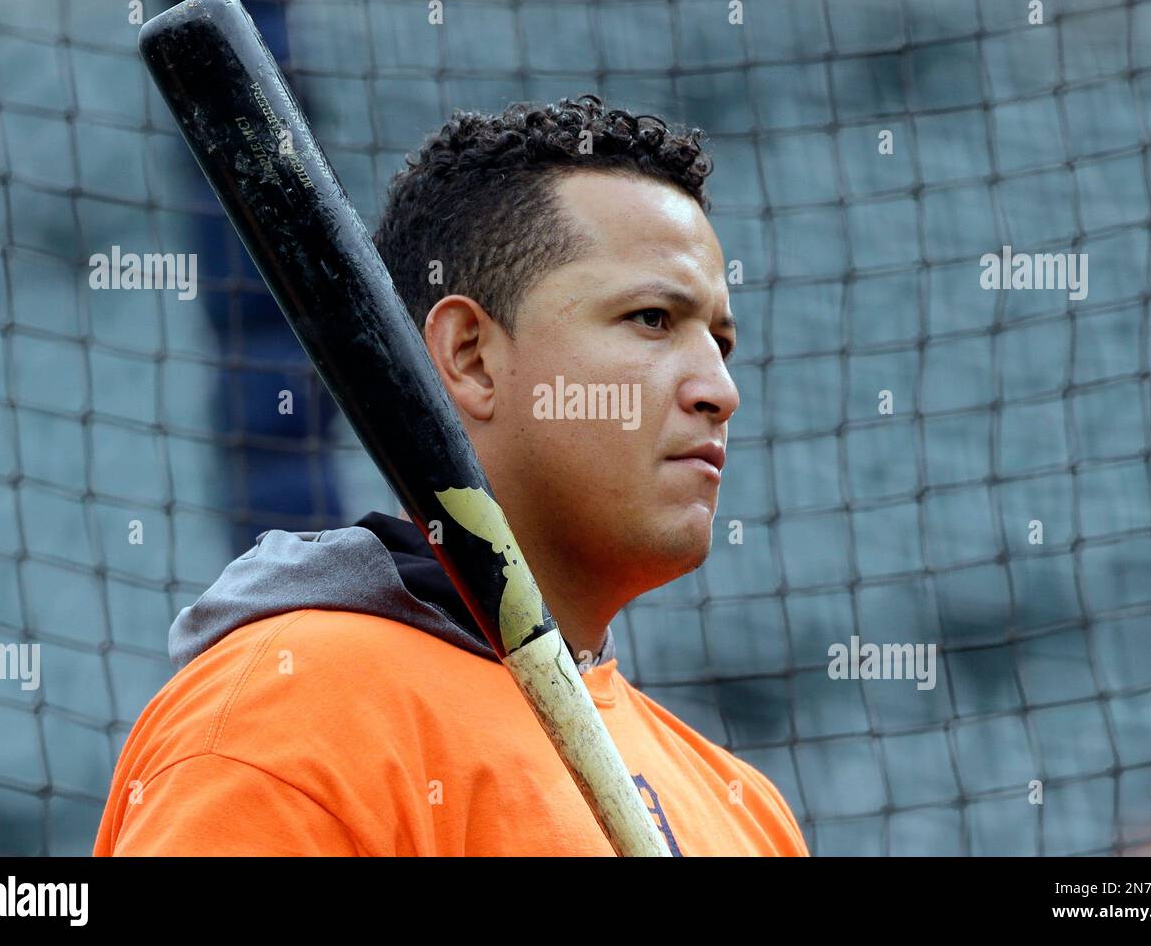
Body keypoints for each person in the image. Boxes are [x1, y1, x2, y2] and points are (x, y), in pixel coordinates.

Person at [93, 94, 808, 856]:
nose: (718, 389)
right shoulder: (294, 716)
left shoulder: (750, 817)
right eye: (652, 319)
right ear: (469, 354)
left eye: (721, 341)